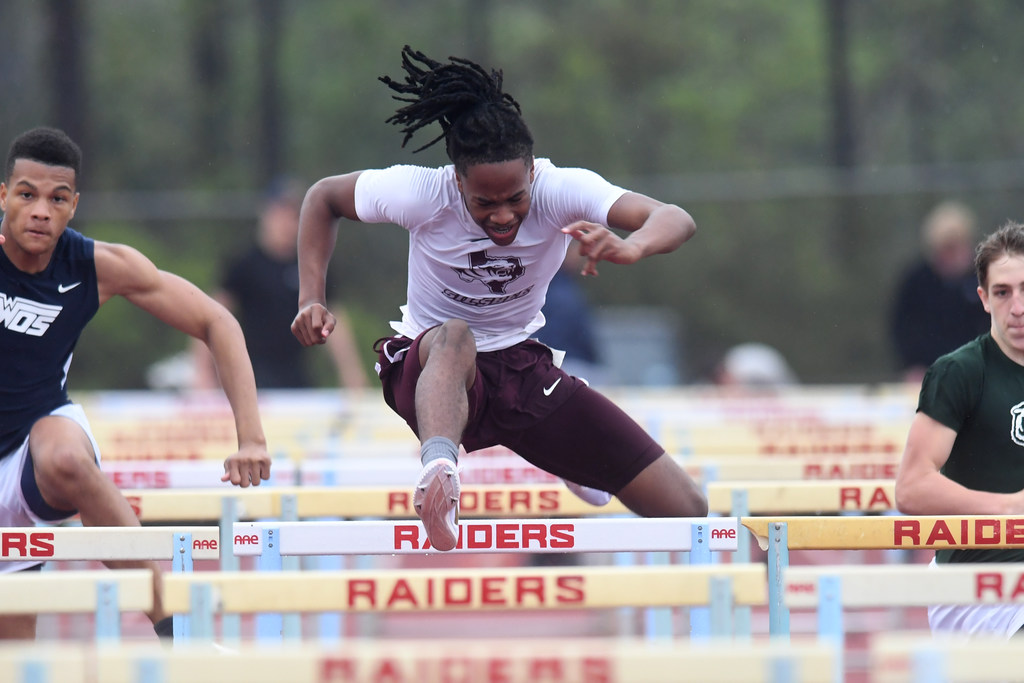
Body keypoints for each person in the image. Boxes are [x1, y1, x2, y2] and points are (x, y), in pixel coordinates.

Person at [291, 46, 708, 551]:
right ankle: (439, 475)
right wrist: (310, 297)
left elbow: (675, 218)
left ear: (532, 172)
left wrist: (632, 244)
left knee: (688, 507)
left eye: (515, 198)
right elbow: (323, 198)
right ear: (457, 180)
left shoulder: (560, 189)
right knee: (456, 334)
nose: (503, 216)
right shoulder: (421, 192)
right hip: (428, 369)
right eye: (483, 203)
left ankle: (568, 457)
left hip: (520, 369)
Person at [0, 127, 271, 639]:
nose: (40, 211)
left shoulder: (95, 266)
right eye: (26, 195)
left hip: (31, 455)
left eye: (57, 199)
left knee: (65, 456)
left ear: (74, 206)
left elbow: (218, 322)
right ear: (3, 196)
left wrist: (252, 437)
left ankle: (173, 623)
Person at [895, 220, 1024, 638]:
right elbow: (911, 488)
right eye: (1003, 293)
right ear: (984, 299)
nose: (1017, 307)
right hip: (979, 586)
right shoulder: (960, 372)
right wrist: (1008, 507)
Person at [192, 179, 368, 391]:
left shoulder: (312, 265)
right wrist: (203, 373)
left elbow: (333, 321)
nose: (286, 222)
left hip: (297, 377)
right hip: (253, 377)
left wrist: (352, 373)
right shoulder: (244, 264)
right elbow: (213, 315)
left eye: (293, 215)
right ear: (265, 214)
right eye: (280, 213)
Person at [889, 201, 990, 383]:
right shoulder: (916, 281)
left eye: (958, 246)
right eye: (947, 248)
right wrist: (912, 365)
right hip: (928, 371)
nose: (953, 255)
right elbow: (902, 328)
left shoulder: (984, 278)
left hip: (977, 371)